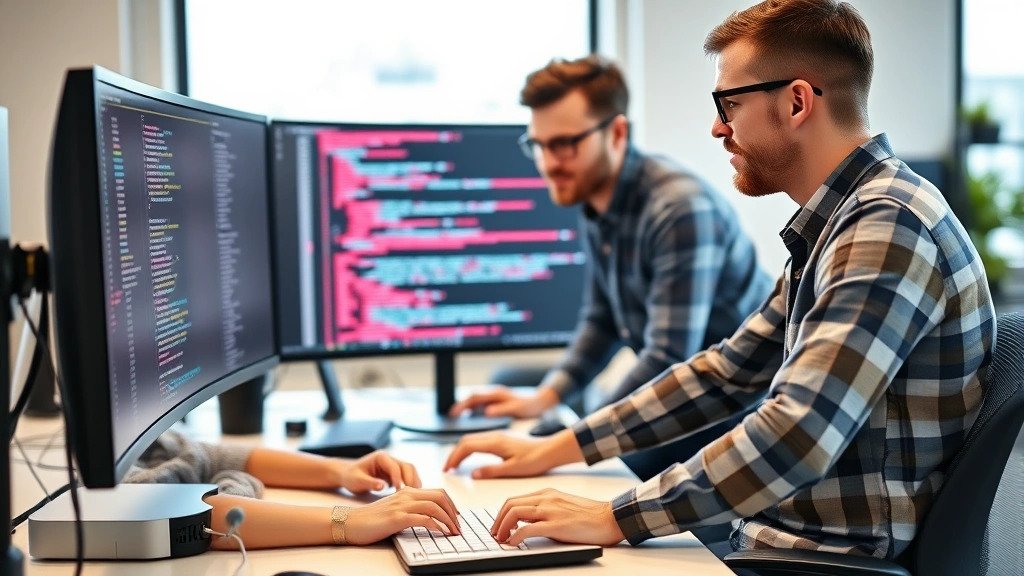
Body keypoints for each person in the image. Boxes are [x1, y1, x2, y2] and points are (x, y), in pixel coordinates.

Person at [442, 0, 995, 561]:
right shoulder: (840, 222)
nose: (717, 127)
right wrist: (559, 447)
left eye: (729, 103)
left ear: (797, 101)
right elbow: (726, 373)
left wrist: (615, 516)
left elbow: (797, 435)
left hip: (817, 561)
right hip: (773, 533)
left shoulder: (886, 225)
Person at [448, 55, 772, 479]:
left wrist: (563, 442)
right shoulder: (595, 198)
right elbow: (602, 320)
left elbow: (667, 357)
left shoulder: (677, 210)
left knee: (579, 479)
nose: (548, 163)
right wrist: (544, 398)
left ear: (617, 132)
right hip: (675, 403)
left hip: (730, 418)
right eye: (539, 145)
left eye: (564, 144)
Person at [126, 430, 461, 550]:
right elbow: (182, 514)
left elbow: (208, 457)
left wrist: (340, 470)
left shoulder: (140, 440)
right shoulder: (75, 460)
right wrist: (350, 520)